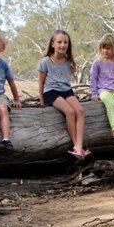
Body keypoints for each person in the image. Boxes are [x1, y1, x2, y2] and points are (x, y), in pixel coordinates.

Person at [38, 29, 89, 159]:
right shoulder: (46, 61)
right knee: (70, 112)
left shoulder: (68, 61)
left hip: (66, 90)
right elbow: (41, 82)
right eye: (59, 42)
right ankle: (76, 146)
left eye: (65, 42)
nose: (62, 45)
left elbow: (67, 84)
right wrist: (42, 101)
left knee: (80, 110)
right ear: (52, 44)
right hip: (51, 91)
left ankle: (79, 145)